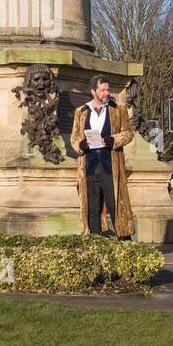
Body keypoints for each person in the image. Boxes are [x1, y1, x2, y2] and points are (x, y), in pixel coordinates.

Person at [69, 74, 136, 238]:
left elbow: (128, 133)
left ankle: (125, 243)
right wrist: (80, 145)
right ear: (93, 91)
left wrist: (113, 140)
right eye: (103, 90)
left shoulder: (118, 109)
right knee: (92, 207)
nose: (107, 93)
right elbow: (74, 137)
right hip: (90, 167)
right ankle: (96, 242)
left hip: (110, 166)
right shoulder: (81, 111)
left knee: (115, 205)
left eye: (108, 89)